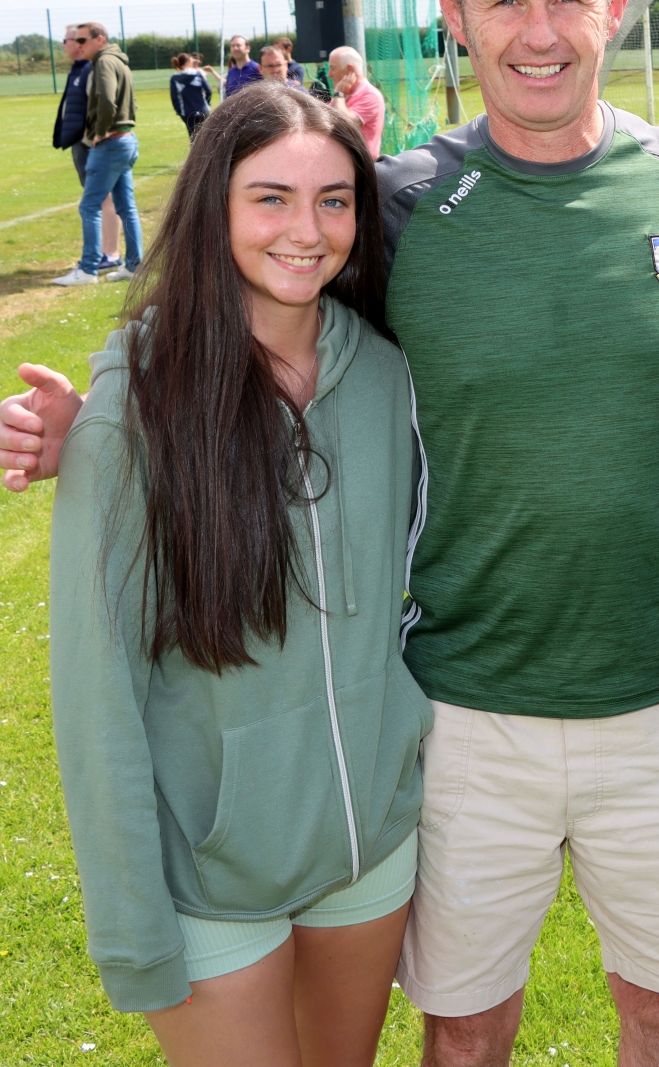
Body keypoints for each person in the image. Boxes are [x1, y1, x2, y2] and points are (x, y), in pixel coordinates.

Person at [0, 0, 659, 1066]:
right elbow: (246, 313)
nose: (539, 31)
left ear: (613, 5)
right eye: (503, 0)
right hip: (457, 705)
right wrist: (95, 423)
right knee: (461, 1029)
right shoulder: (400, 206)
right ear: (453, 16)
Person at [49, 84, 429, 1067]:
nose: (307, 230)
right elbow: (98, 699)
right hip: (207, 878)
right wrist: (133, 926)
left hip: (366, 856)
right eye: (271, 197)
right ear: (214, 204)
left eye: (336, 199)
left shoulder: (391, 377)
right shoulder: (132, 409)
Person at [49, 22, 142, 287]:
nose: (78, 46)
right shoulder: (119, 60)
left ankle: (88, 269)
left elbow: (106, 100)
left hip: (111, 142)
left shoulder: (103, 62)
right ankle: (134, 266)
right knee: (127, 208)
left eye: (82, 40)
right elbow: (131, 103)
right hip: (126, 139)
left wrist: (99, 132)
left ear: (98, 40)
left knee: (89, 206)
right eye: (75, 41)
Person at [327, 44, 386, 154]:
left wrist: (338, 93)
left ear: (349, 69)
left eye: (332, 68)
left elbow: (345, 122)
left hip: (361, 167)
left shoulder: (371, 95)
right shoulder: (344, 94)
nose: (329, 74)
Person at [168, 52, 213, 138]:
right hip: (202, 110)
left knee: (193, 139)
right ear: (188, 62)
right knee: (206, 138)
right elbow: (209, 91)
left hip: (187, 112)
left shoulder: (174, 78)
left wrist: (179, 111)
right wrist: (207, 103)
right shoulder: (198, 74)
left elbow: (174, 98)